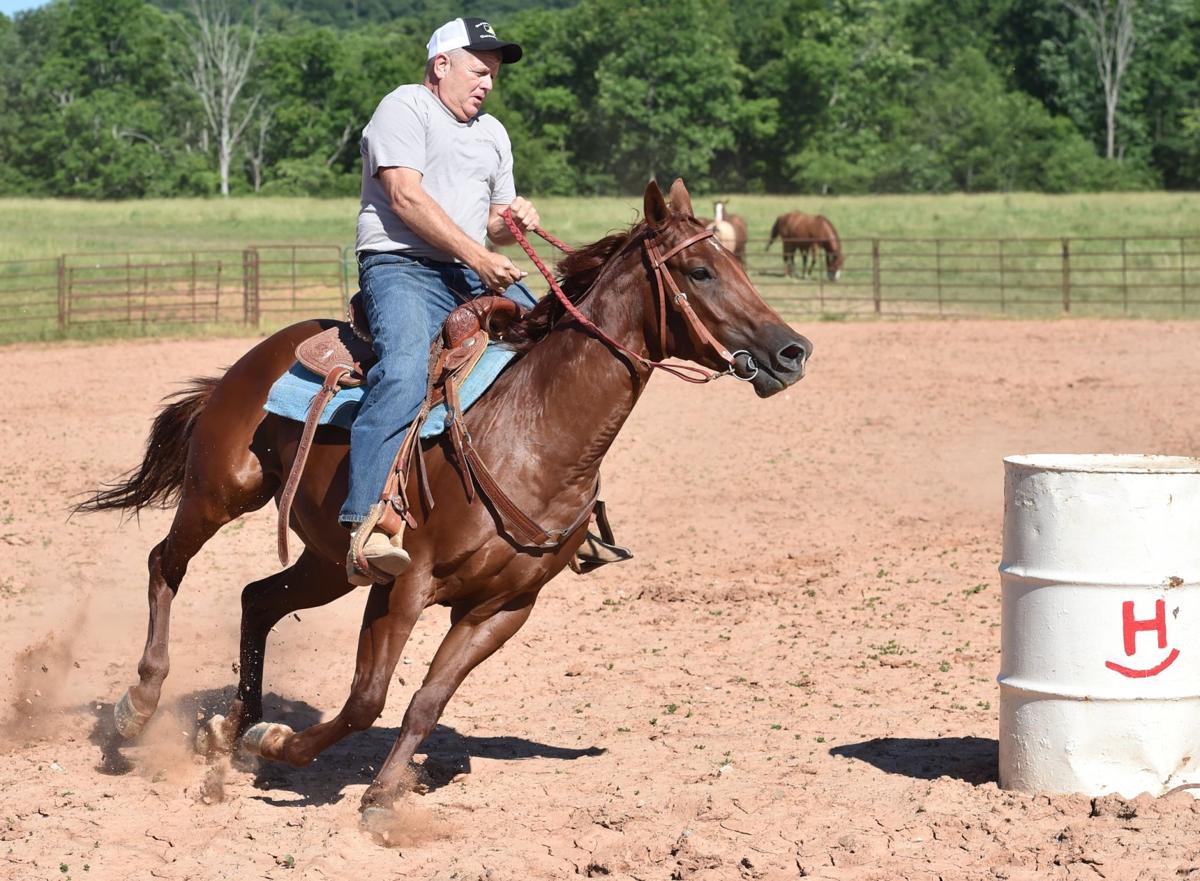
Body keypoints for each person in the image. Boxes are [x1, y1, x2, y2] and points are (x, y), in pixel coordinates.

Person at [340, 16, 540, 584]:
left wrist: (515, 217)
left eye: (494, 74)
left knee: (558, 344)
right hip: (401, 266)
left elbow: (496, 225)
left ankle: (568, 509)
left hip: (470, 268)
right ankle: (365, 521)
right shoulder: (405, 107)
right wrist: (479, 257)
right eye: (479, 70)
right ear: (441, 65)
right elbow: (404, 196)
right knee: (403, 368)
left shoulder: (493, 133)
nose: (488, 83)